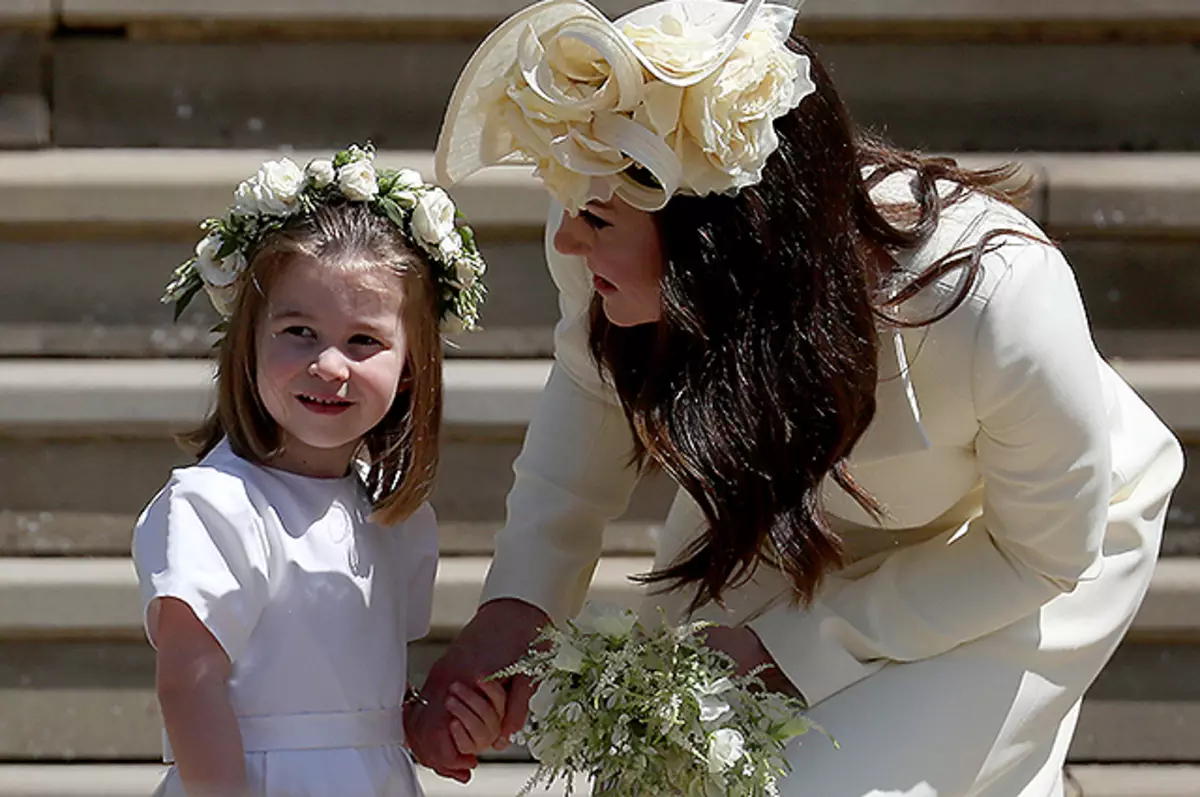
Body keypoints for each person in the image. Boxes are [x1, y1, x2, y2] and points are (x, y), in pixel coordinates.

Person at [409, 0, 1187, 794]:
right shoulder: (604, 224)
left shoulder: (996, 301)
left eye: (596, 220)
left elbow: (1042, 554)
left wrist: (790, 645)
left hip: (1016, 550)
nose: (569, 239)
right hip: (799, 516)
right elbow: (581, 434)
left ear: (719, 236)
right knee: (665, 775)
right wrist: (513, 614)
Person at [132, 146, 503, 797]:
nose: (330, 365)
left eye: (364, 340)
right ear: (248, 341)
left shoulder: (390, 514)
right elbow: (189, 681)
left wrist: (421, 722)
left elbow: (351, 695)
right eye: (299, 330)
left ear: (411, 365)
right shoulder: (217, 506)